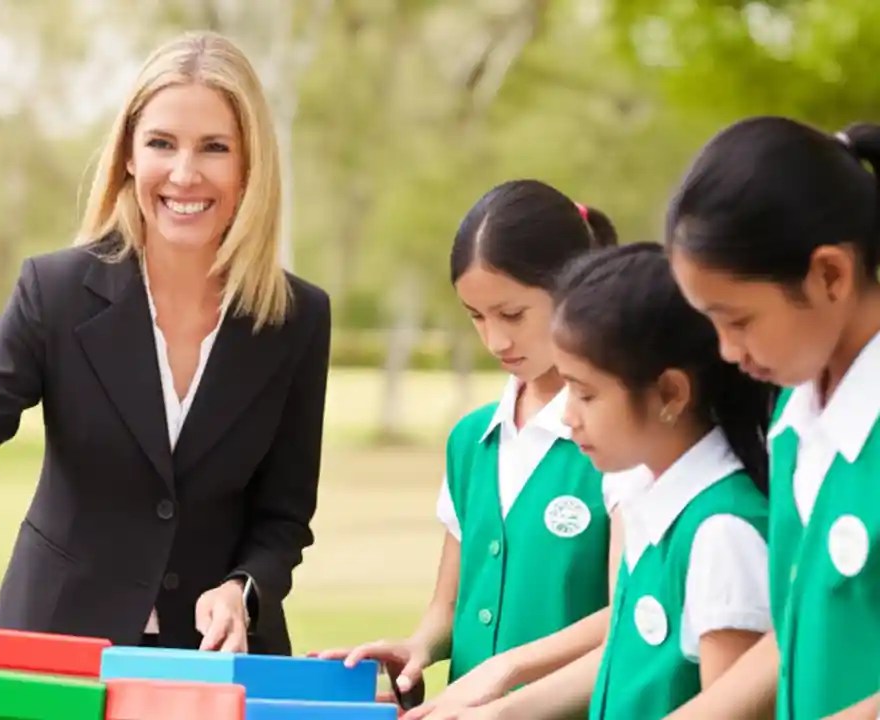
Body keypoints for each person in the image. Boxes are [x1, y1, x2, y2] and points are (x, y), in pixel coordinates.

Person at [0, 30, 331, 655]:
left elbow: (283, 517)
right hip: (59, 645)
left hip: (219, 664)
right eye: (161, 143)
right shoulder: (54, 291)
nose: (184, 174)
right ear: (129, 154)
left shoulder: (296, 318)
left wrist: (245, 588)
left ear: (249, 166)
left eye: (214, 148)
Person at [315, 180, 637, 710]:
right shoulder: (471, 440)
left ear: (574, 291)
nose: (496, 340)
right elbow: (450, 604)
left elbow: (629, 608)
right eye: (476, 317)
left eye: (512, 315)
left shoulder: (621, 439)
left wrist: (507, 670)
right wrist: (418, 646)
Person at [438, 243, 774, 720]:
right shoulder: (648, 502)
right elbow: (620, 655)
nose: (568, 417)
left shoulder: (722, 532)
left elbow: (731, 706)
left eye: (586, 394)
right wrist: (497, 712)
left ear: (671, 393)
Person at [662, 117, 880, 720]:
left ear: (830, 274)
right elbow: (793, 628)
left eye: (739, 321)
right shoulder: (796, 419)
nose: (727, 353)